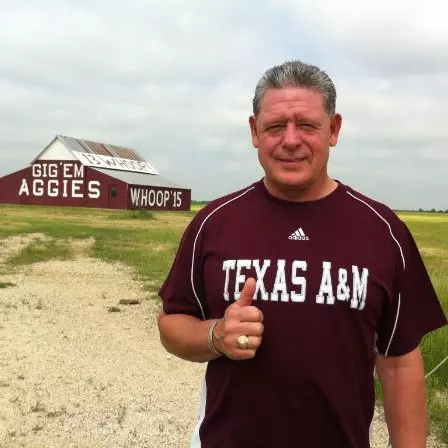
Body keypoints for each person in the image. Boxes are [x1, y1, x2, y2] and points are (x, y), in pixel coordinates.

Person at [157, 60, 447, 448]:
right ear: (254, 132)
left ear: (334, 129)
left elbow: (399, 364)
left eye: (307, 125)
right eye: (275, 126)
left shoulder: (383, 231)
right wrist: (216, 335)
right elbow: (172, 324)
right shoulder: (214, 223)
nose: (290, 140)